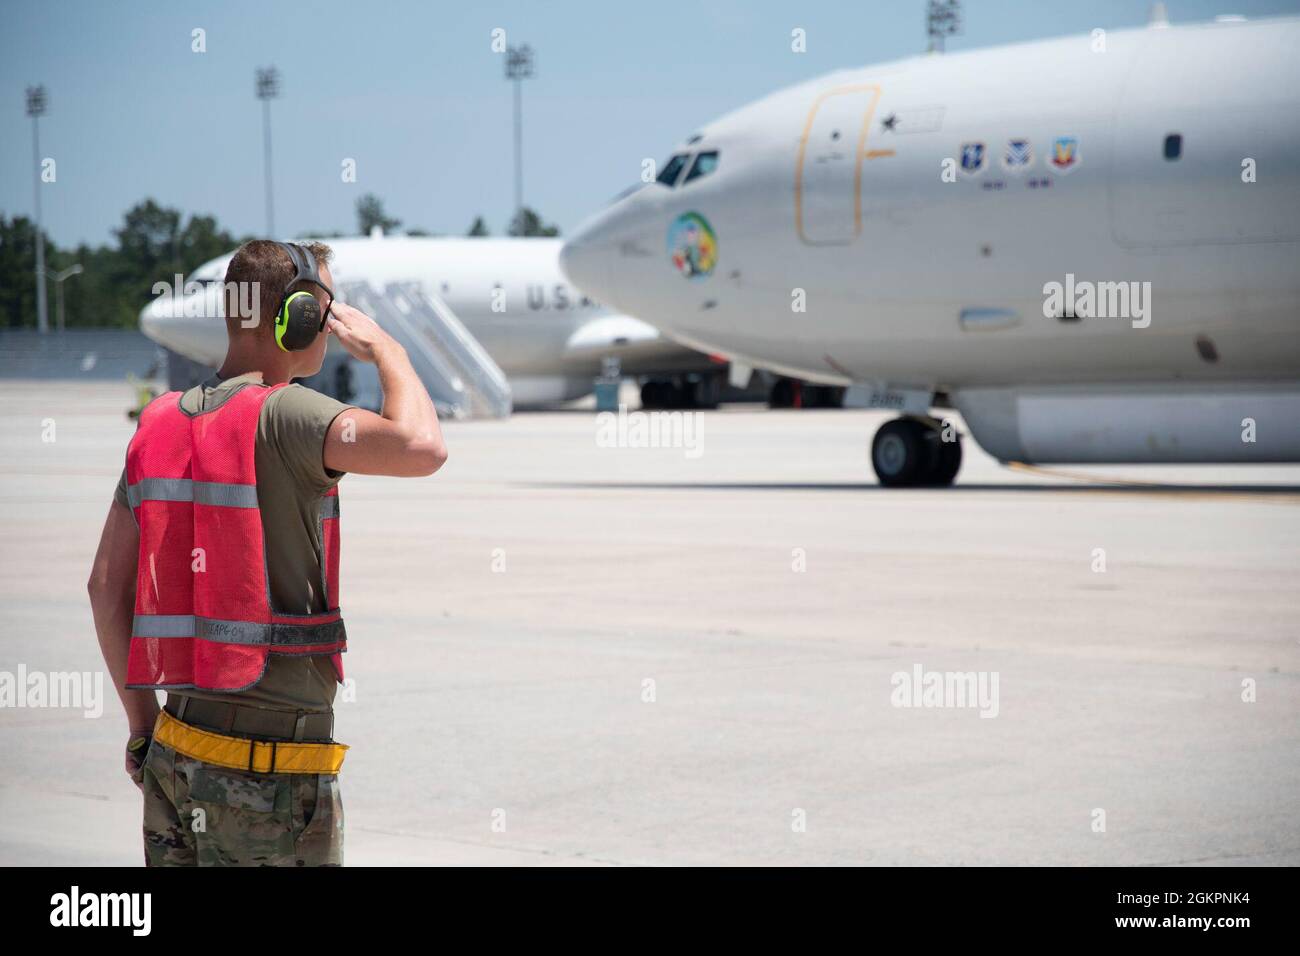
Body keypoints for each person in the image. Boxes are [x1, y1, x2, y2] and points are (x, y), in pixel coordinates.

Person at [87, 240, 446, 866]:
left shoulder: (160, 422)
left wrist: (142, 728)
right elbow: (421, 446)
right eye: (327, 312)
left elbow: (104, 587)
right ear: (298, 315)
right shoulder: (290, 415)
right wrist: (391, 349)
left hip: (176, 754)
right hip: (273, 782)